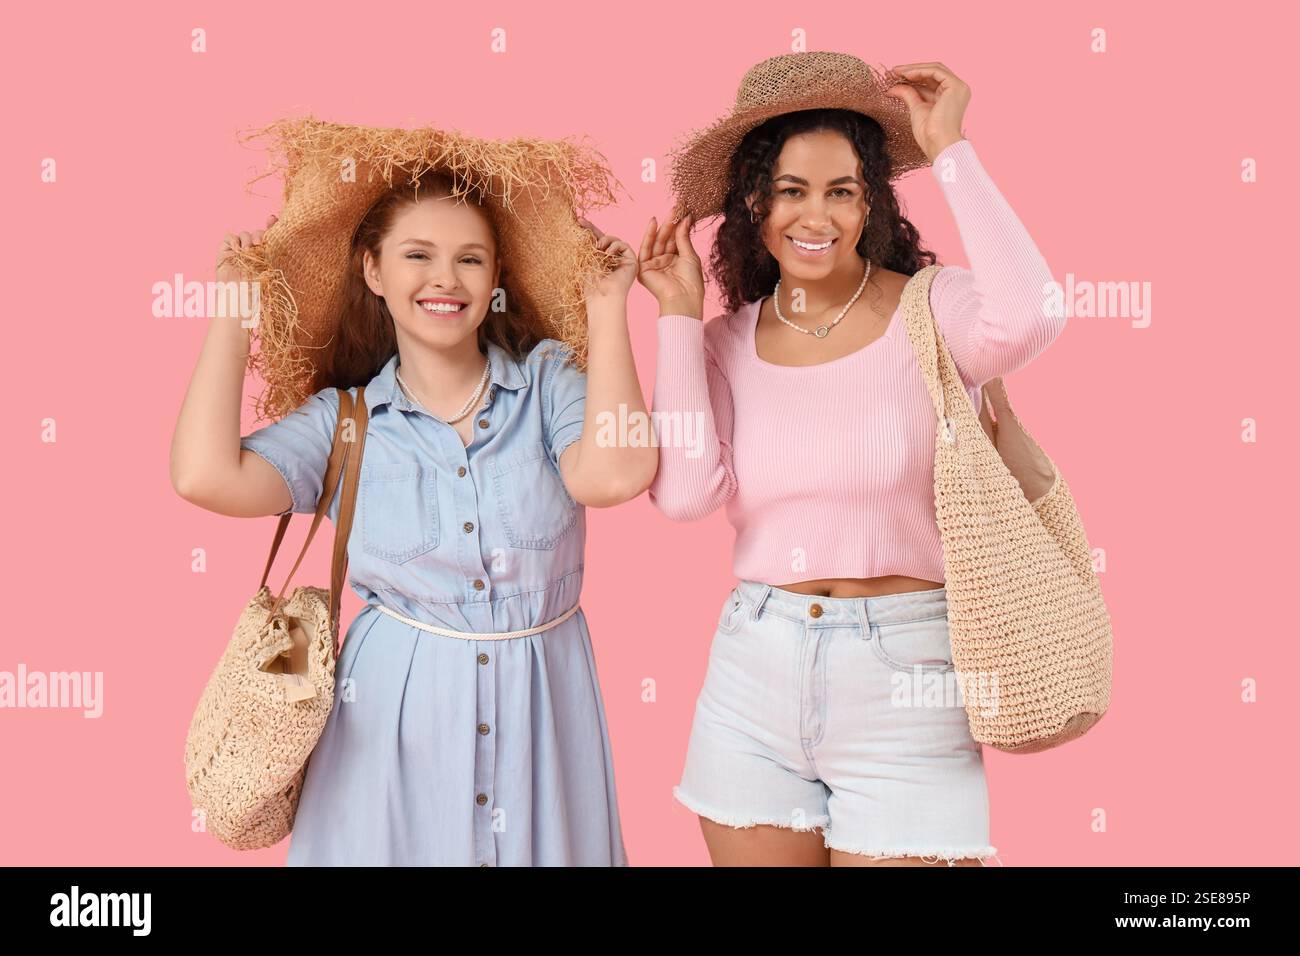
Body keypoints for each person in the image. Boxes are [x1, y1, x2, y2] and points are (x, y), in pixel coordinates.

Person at [170, 119, 656, 865]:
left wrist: (607, 307)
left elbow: (615, 473)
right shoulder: (345, 422)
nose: (445, 279)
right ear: (374, 271)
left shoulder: (550, 380)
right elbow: (204, 476)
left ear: (496, 279)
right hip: (387, 730)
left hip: (544, 720)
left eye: (470, 259)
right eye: (418, 256)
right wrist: (236, 310)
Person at [638, 53, 1067, 866]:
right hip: (754, 673)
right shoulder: (726, 342)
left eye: (842, 190)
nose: (818, 215)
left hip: (911, 678)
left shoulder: (931, 307)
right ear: (753, 204)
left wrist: (952, 152)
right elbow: (688, 494)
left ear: (870, 203)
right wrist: (677, 318)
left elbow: (1032, 317)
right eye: (792, 190)